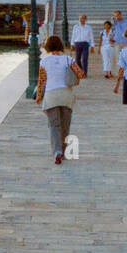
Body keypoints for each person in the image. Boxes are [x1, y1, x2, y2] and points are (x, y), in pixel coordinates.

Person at [35, 33, 83, 164]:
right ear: (60, 45)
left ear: (47, 46)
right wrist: (74, 77)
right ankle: (64, 150)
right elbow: (81, 74)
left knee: (54, 125)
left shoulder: (44, 61)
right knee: (65, 125)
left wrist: (39, 96)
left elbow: (41, 81)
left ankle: (57, 152)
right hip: (66, 95)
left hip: (51, 95)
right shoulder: (68, 59)